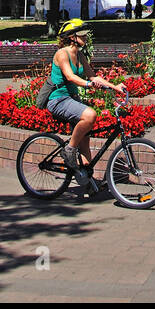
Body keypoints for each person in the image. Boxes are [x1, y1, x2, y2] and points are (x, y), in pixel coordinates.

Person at [47, 18, 119, 189]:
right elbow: (71, 76)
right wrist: (88, 84)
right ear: (72, 37)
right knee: (90, 115)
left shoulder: (79, 54)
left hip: (71, 99)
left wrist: (115, 87)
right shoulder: (62, 54)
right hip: (58, 99)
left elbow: (93, 76)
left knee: (85, 142)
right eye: (82, 34)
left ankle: (87, 180)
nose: (86, 37)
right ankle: (69, 150)